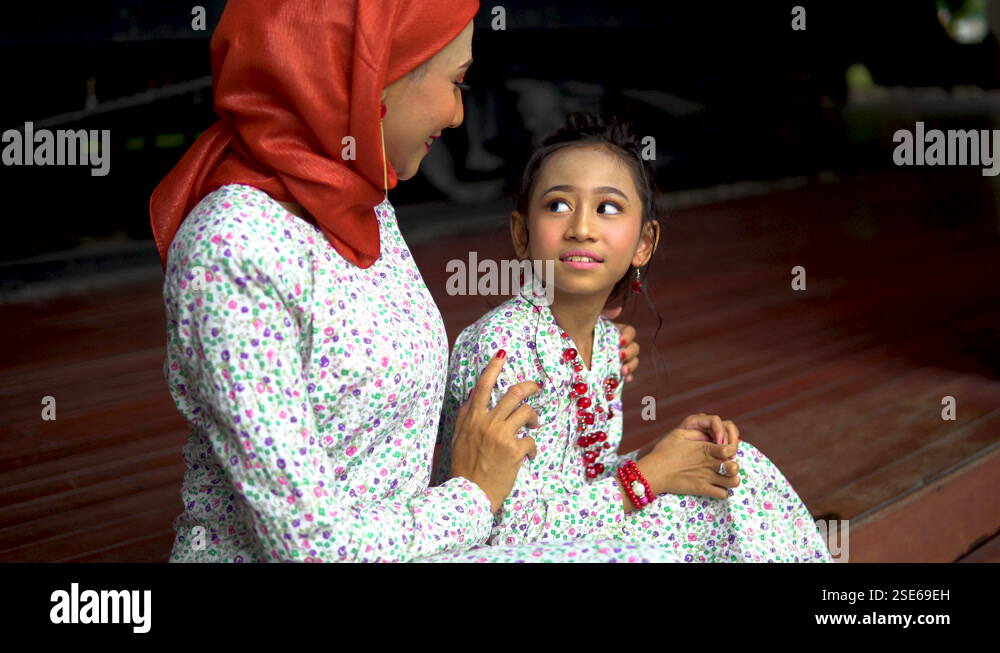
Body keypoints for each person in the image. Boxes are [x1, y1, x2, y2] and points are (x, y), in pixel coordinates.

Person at [150, 0, 672, 563]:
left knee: (723, 487)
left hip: (418, 541)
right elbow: (313, 547)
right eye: (457, 83)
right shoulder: (234, 248)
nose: (458, 115)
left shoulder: (363, 203)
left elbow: (370, 388)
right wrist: (472, 495)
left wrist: (574, 353)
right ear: (377, 71)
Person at [433, 113, 833, 562]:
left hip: (574, 538)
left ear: (644, 243)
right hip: (499, 552)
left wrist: (668, 455)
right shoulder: (502, 348)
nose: (581, 228)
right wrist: (650, 473)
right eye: (558, 205)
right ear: (522, 234)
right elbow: (504, 531)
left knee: (732, 469)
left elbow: (585, 481)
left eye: (607, 208)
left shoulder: (607, 343)